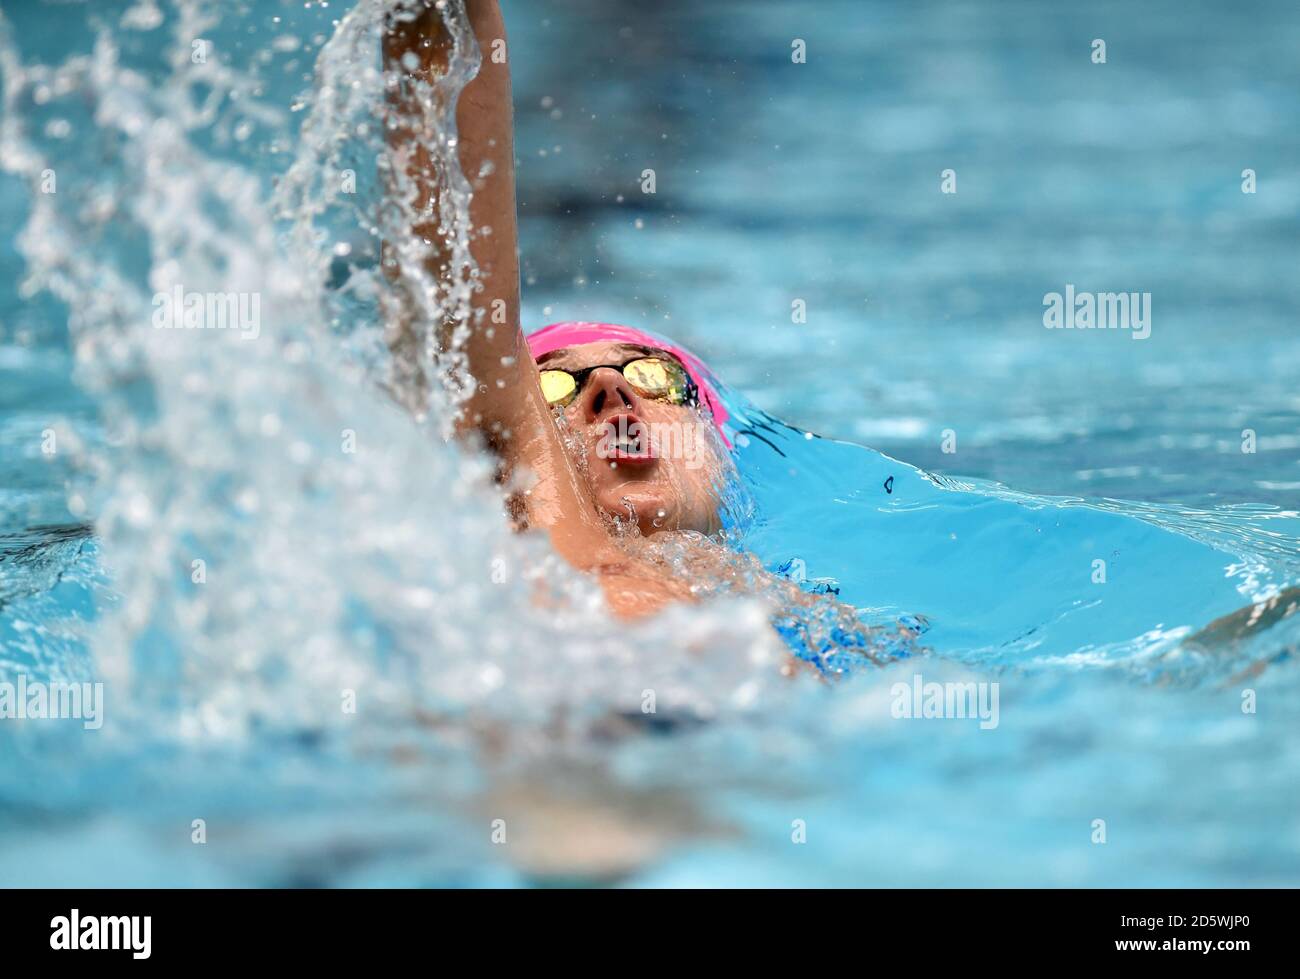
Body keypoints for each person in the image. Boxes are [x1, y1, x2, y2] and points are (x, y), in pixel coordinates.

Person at [382, 0, 761, 620]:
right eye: (555, 387)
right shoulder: (560, 563)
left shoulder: (813, 619)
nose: (611, 388)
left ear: (717, 446)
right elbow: (467, 313)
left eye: (653, 374)